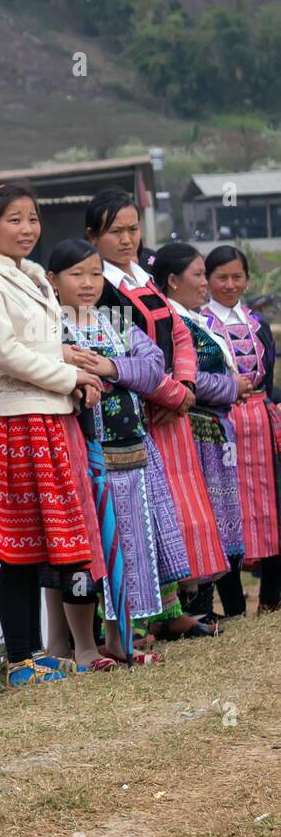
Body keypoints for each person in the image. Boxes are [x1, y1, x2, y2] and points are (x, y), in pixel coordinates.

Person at [0, 184, 104, 686]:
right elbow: (2, 351)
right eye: (14, 220)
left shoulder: (33, 277)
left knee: (38, 541)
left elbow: (36, 344)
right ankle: (20, 656)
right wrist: (69, 376)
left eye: (33, 219)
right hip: (17, 419)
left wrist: (70, 359)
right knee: (13, 542)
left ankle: (36, 652)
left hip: (47, 415)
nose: (26, 229)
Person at [86, 187, 223, 639]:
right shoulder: (100, 287)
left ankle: (170, 608)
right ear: (93, 236)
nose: (126, 239)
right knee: (136, 517)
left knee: (164, 516)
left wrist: (184, 386)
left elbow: (180, 335)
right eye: (114, 231)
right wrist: (171, 395)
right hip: (141, 413)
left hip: (168, 408)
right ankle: (142, 615)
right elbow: (129, 356)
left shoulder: (141, 277)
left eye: (132, 228)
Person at [46, 238, 177, 666]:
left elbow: (155, 365)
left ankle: (122, 641)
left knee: (129, 546)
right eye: (76, 274)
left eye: (96, 274)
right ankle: (80, 646)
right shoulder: (48, 328)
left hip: (130, 451)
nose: (88, 283)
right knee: (85, 551)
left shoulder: (116, 321)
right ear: (52, 280)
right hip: (79, 454)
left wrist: (110, 368)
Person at [152, 243, 245, 622]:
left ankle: (205, 606)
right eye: (199, 275)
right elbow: (183, 376)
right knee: (191, 514)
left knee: (210, 515)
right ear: (172, 281)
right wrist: (232, 388)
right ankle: (193, 607)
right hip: (191, 428)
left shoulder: (194, 318)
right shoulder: (171, 319)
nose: (206, 283)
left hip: (212, 429)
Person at [202, 246, 280, 615]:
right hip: (223, 424)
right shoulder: (199, 323)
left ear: (247, 279)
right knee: (226, 506)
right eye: (221, 277)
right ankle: (233, 604)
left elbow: (270, 372)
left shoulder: (258, 323)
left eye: (237, 277)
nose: (230, 285)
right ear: (207, 280)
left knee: (271, 504)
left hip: (261, 424)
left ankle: (271, 598)